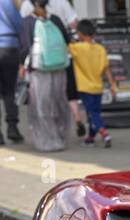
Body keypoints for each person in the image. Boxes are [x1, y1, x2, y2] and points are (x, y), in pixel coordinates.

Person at [20, 0, 80, 136]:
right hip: (60, 65)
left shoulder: (28, 22)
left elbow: (25, 46)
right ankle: (61, 133)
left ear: (33, 5)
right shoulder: (56, 19)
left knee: (41, 103)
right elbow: (67, 39)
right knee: (59, 100)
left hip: (38, 68)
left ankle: (46, 136)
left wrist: (22, 65)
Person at [68, 18, 113, 147]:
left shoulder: (77, 48)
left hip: (85, 88)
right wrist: (112, 84)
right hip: (98, 87)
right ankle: (90, 138)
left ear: (80, 34)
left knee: (92, 114)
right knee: (95, 112)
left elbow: (66, 47)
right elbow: (106, 69)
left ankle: (104, 134)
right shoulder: (100, 49)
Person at [0, 0, 23, 144]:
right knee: (10, 90)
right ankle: (12, 127)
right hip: (9, 47)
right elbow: (18, 23)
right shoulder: (6, 2)